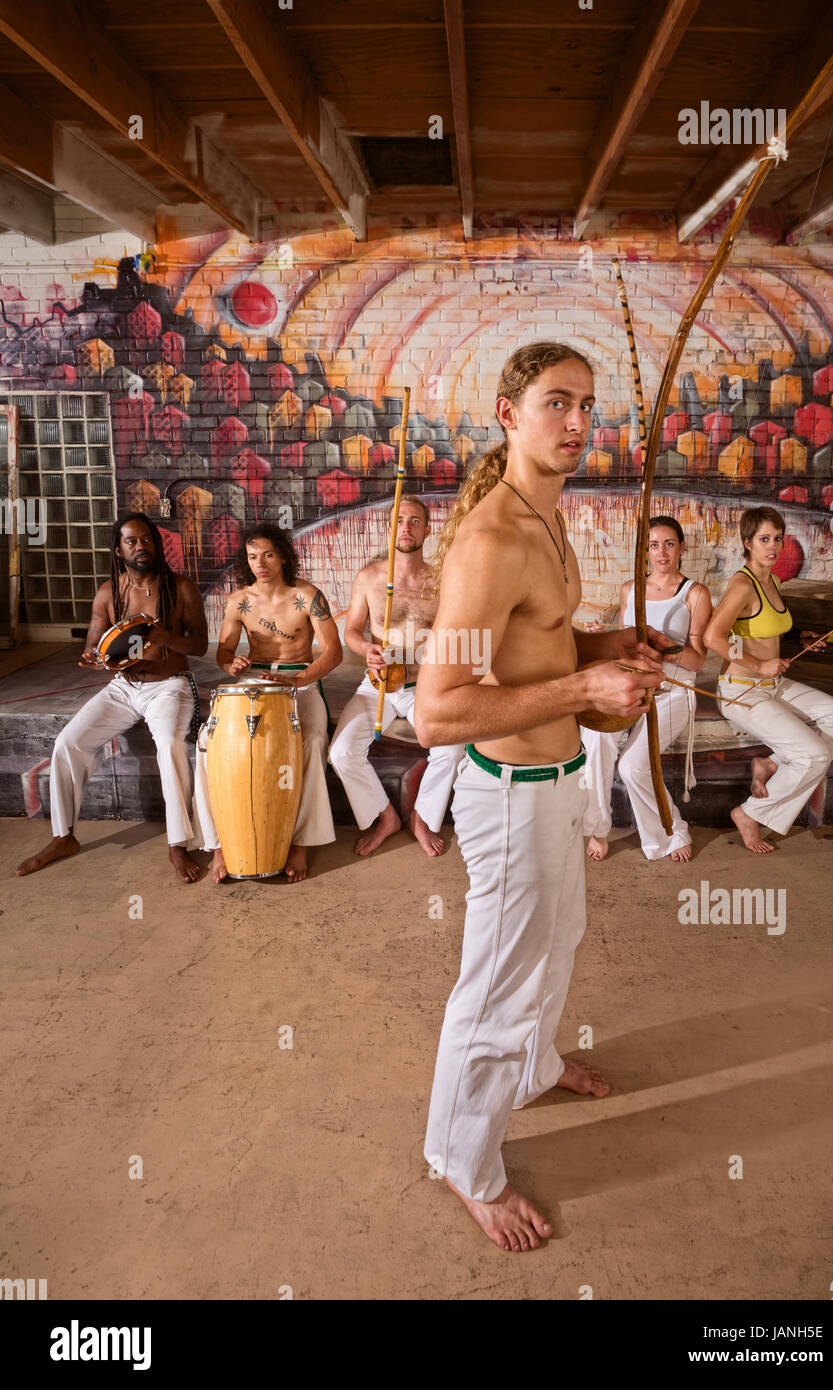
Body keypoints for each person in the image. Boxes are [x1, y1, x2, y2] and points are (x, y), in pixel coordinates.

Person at [414, 341, 670, 1253]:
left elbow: (545, 647)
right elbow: (437, 711)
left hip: (560, 784)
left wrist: (612, 646)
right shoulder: (492, 539)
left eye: (587, 407)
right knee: (493, 989)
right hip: (511, 796)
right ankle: (465, 1163)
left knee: (556, 945)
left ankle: (532, 1066)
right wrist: (583, 695)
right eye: (555, 403)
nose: (575, 424)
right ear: (508, 413)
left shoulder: (547, 518)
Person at [15, 512, 208, 884]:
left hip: (170, 685)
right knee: (67, 743)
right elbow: (93, 645)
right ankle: (63, 836)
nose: (141, 546)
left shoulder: (180, 588)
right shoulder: (109, 592)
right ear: (118, 550)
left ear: (156, 544)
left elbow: (199, 645)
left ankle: (178, 842)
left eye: (147, 539)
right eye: (131, 541)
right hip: (123, 686)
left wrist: (167, 638)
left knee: (168, 745)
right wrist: (91, 658)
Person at [192, 524, 341, 883]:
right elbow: (224, 652)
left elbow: (333, 653)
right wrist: (232, 664)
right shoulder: (239, 601)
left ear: (284, 556)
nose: (260, 563)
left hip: (301, 681)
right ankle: (218, 844)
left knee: (314, 741)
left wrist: (299, 680)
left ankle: (303, 842)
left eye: (268, 555)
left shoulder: (307, 596)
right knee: (206, 744)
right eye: (252, 556)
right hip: (255, 681)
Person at [704, 506, 833, 854]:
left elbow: (765, 629)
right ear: (747, 542)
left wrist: (802, 637)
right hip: (742, 693)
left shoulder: (772, 579)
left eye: (777, 538)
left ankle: (772, 763)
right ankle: (749, 813)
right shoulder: (743, 584)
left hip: (771, 685)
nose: (772, 546)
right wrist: (757, 666)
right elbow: (714, 637)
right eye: (764, 539)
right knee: (814, 755)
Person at [328, 497, 465, 857]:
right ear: (391, 529)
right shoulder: (370, 577)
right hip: (378, 684)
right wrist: (366, 651)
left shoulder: (439, 580)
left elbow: (452, 634)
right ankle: (385, 817)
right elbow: (352, 631)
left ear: (427, 529)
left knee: (451, 750)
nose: (406, 527)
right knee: (341, 752)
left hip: (423, 684)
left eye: (415, 521)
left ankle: (422, 817)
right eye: (400, 521)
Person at [583, 517, 712, 863]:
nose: (661, 552)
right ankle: (598, 825)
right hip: (633, 683)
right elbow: (621, 645)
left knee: (633, 767)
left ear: (682, 547)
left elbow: (698, 660)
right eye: (653, 545)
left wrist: (668, 646)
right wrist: (603, 638)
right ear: (645, 551)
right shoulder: (630, 589)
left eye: (669, 544)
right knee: (597, 738)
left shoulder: (695, 593)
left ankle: (672, 832)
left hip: (674, 689)